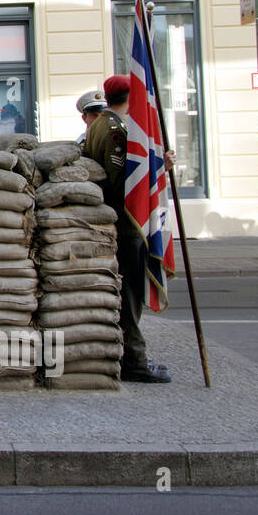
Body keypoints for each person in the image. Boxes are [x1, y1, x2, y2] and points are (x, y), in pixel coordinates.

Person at [84, 74, 174, 384]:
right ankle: (134, 359)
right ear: (131, 98)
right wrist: (160, 168)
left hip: (121, 223)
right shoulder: (113, 130)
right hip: (126, 224)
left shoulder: (104, 125)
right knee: (131, 294)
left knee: (127, 294)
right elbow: (123, 183)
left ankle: (128, 355)